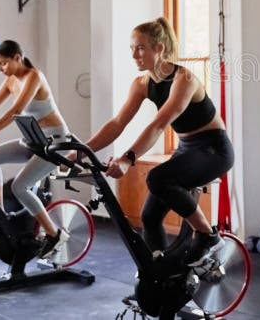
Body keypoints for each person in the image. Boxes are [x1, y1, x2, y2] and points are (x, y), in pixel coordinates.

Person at [84, 17, 234, 266]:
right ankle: (159, 276)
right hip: (186, 149)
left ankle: (208, 235)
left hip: (213, 150)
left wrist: (127, 159)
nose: (134, 55)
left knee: (157, 178)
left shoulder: (183, 79)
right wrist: (82, 150)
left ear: (159, 48)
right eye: (132, 48)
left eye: (140, 48)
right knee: (150, 217)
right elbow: (117, 123)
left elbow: (159, 124)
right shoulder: (142, 84)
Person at [0, 40, 70, 259]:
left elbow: (16, 110)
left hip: (55, 141)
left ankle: (54, 234)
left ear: (18, 57)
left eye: (4, 64)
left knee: (20, 187)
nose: (1, 69)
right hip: (33, 140)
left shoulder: (33, 76)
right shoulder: (11, 81)